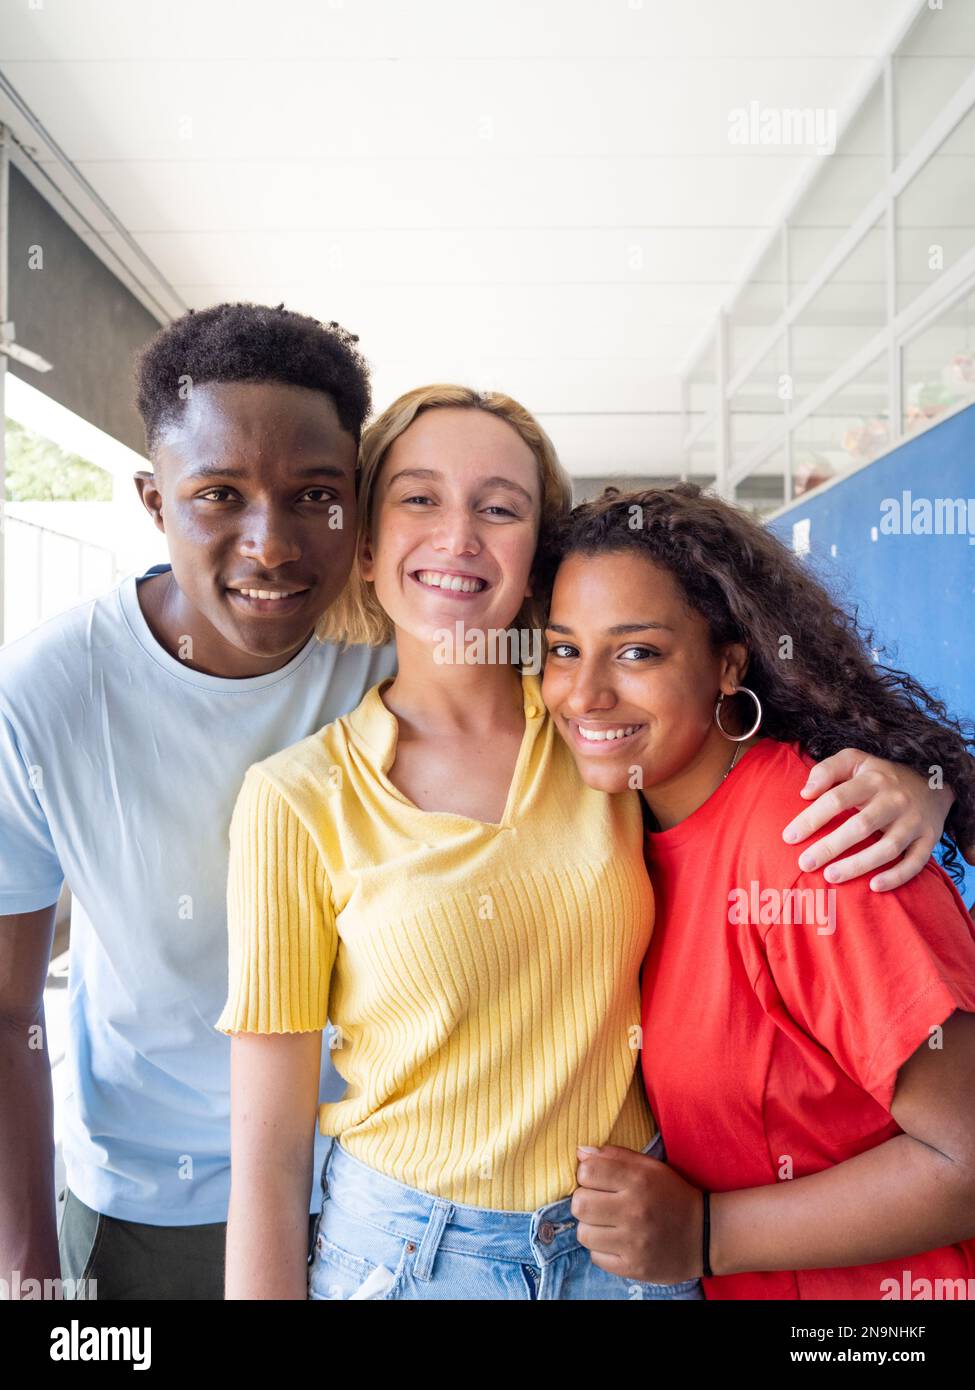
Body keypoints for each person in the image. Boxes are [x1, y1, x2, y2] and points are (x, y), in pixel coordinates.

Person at [215, 388, 960, 1301]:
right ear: (365, 547)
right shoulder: (295, 801)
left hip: (631, 1246)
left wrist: (923, 781)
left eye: (499, 507)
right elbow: (268, 1160)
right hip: (409, 1259)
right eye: (418, 498)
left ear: (537, 554)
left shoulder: (600, 740)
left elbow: (748, 767)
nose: (457, 536)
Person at [0, 302, 396, 1299]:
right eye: (219, 493)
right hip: (149, 1210)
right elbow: (8, 1015)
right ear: (153, 498)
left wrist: (852, 764)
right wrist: (30, 1272)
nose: (271, 546)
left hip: (375, 1186)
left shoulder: (402, 661)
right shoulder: (55, 691)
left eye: (316, 495)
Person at [540, 483, 975, 1299]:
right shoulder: (626, 830)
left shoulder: (811, 840)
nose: (586, 694)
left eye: (637, 652)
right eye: (563, 649)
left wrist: (705, 1234)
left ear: (727, 663)